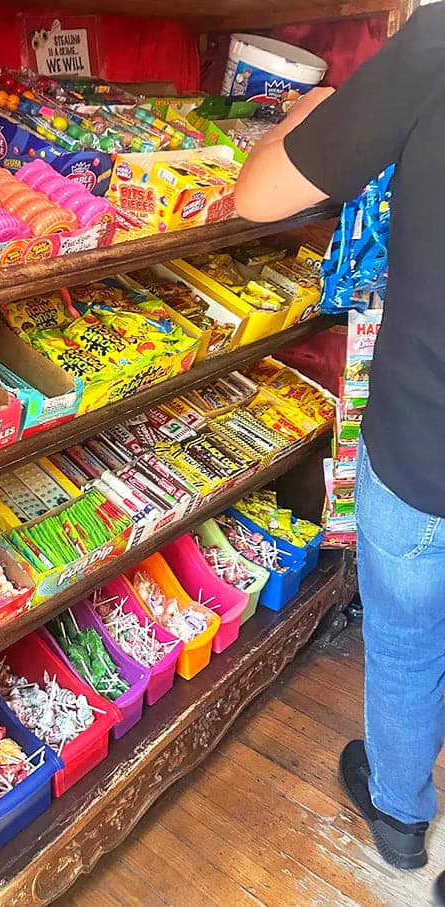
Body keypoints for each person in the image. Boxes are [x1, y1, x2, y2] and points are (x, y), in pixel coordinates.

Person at [234, 5, 445, 898]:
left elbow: (258, 195)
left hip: (422, 436)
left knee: (405, 640)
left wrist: (301, 116)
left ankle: (400, 815)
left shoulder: (437, 40)